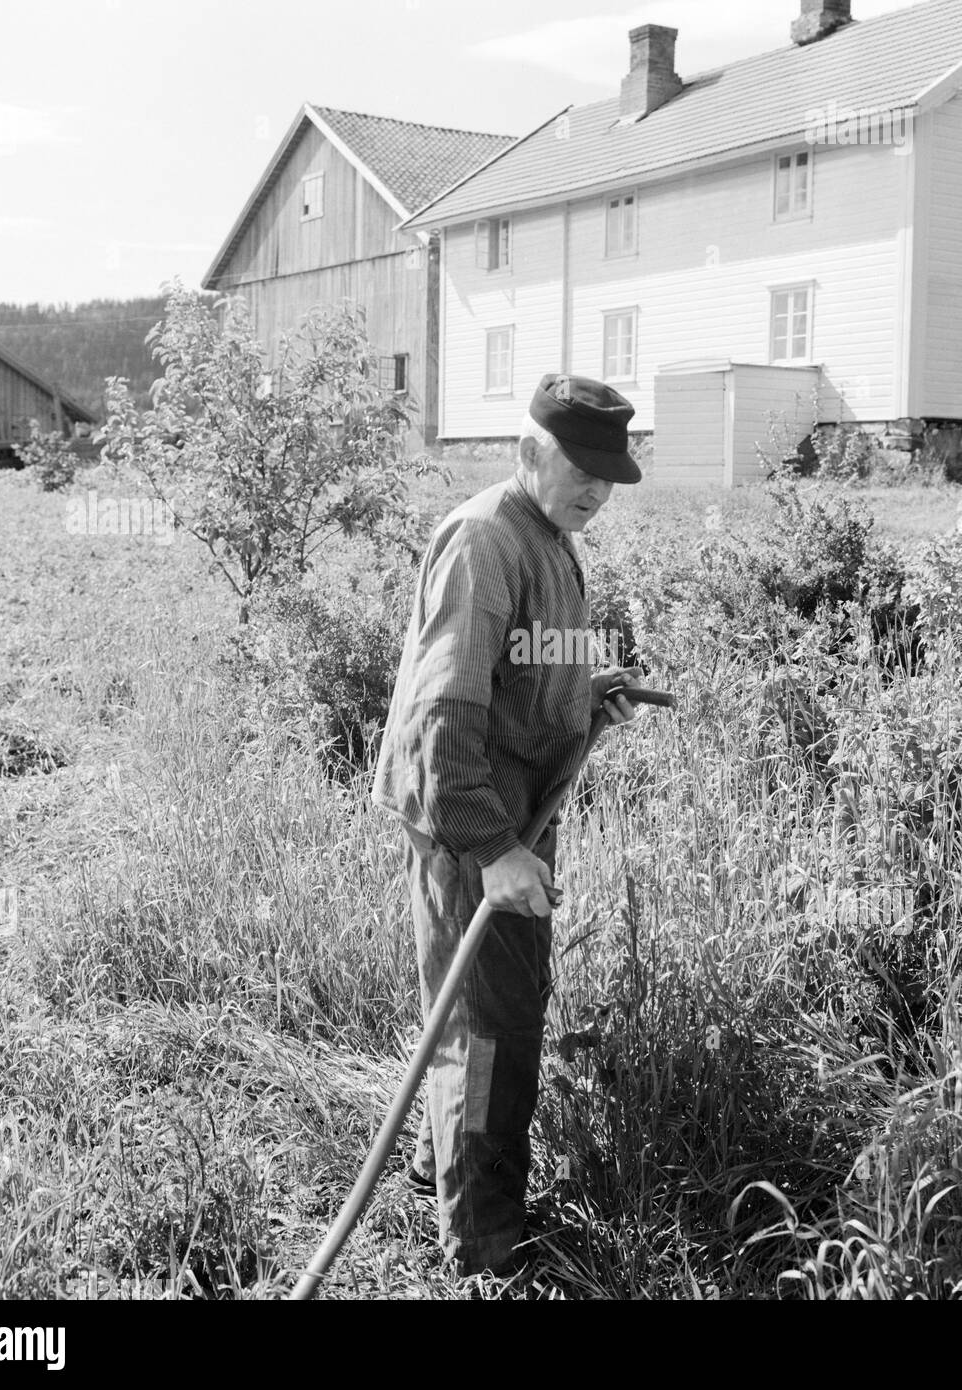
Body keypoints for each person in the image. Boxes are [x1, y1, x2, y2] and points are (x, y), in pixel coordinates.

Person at [371, 372, 645, 1278]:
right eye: (581, 468)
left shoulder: (551, 531)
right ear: (528, 451)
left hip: (509, 814)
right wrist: (492, 851)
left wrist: (588, 693)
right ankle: (486, 1248)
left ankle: (436, 1171)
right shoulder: (489, 540)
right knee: (493, 1029)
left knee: (481, 1011)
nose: (598, 490)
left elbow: (521, 664)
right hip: (472, 819)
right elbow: (443, 714)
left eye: (610, 473)